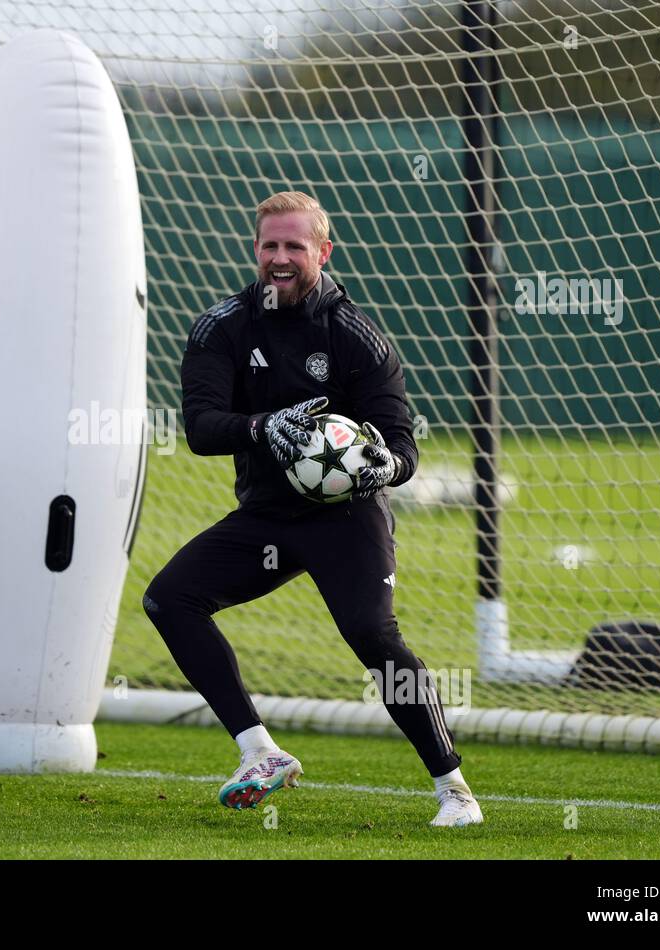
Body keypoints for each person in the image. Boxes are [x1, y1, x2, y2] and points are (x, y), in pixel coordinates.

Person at [142, 191, 482, 827]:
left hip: (345, 518)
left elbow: (401, 447)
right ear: (256, 251)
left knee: (372, 636)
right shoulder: (222, 327)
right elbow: (201, 426)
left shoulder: (357, 338)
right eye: (269, 245)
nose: (279, 258)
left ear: (323, 252)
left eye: (294, 245)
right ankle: (259, 752)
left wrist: (383, 466)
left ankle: (455, 791)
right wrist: (264, 426)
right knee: (169, 599)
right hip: (267, 517)